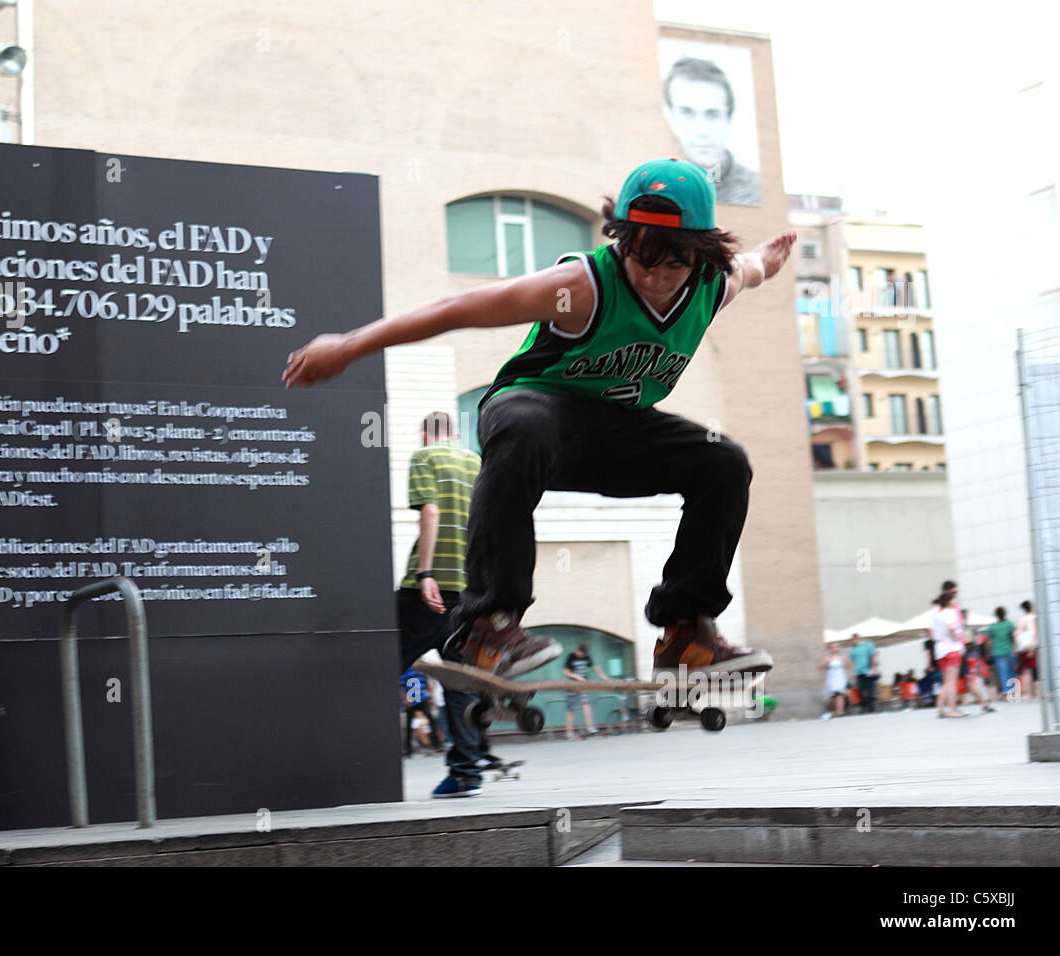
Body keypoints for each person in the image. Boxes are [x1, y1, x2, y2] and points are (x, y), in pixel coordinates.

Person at [284, 158, 792, 687]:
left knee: (722, 460)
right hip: (536, 414)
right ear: (622, 242)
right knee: (526, 421)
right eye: (643, 262)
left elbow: (750, 267)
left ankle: (686, 632)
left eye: (673, 267)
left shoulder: (713, 283)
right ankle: (488, 624)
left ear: (701, 254)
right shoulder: (581, 284)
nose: (657, 280)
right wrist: (348, 346)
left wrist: (765, 259)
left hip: (620, 433)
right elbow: (456, 308)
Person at [391, 411, 498, 797]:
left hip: (428, 591)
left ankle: (351, 761)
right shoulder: (475, 460)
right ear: (453, 433)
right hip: (470, 591)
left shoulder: (424, 457)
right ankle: (466, 774)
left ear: (425, 434)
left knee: (377, 665)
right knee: (460, 681)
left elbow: (431, 511)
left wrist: (426, 574)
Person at [662, 58, 761, 206]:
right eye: (687, 113)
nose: (701, 130)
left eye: (712, 114)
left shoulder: (755, 188)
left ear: (729, 118)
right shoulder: (654, 186)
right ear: (670, 116)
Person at [930, 580, 967, 718]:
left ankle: (940, 708)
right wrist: (958, 636)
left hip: (940, 650)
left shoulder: (936, 613)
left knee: (946, 681)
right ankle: (952, 709)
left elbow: (932, 632)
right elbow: (952, 628)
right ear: (949, 600)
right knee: (952, 681)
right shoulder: (950, 612)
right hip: (952, 648)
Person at [562, 642, 609, 739]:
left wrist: (602, 675)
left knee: (586, 704)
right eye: (581, 654)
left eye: (583, 654)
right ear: (578, 651)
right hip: (572, 685)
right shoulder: (571, 656)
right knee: (571, 709)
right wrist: (577, 677)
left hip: (583, 685)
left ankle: (590, 727)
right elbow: (565, 671)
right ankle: (569, 732)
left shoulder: (587, 656)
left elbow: (594, 666)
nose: (582, 656)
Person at [986, 607, 1017, 700]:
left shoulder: (992, 627)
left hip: (997, 652)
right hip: (1009, 650)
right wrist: (1015, 648)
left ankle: (1007, 692)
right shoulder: (1009, 624)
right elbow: (1014, 637)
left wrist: (988, 652)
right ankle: (1014, 692)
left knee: (1003, 672)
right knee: (1012, 671)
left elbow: (989, 642)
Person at [847, 632, 878, 714]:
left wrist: (873, 668)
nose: (851, 641)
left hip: (868, 671)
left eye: (852, 640)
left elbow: (872, 656)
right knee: (861, 690)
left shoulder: (867, 645)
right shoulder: (853, 649)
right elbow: (852, 661)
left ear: (856, 638)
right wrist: (851, 672)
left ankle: (871, 708)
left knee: (870, 690)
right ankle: (864, 706)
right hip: (859, 672)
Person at [1015, 600, 1038, 700]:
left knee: (1026, 672)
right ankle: (1037, 693)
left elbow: (1017, 633)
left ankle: (1028, 694)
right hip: (1036, 645)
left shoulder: (1022, 619)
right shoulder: (1035, 617)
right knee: (1037, 672)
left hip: (1026, 647)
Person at [822, 642, 850, 717]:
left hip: (840, 677)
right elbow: (822, 667)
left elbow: (849, 665)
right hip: (832, 677)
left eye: (836, 647)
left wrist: (846, 662)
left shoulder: (842, 657)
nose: (834, 649)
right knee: (834, 695)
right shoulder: (828, 658)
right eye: (832, 647)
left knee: (839, 694)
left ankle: (840, 711)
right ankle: (836, 711)